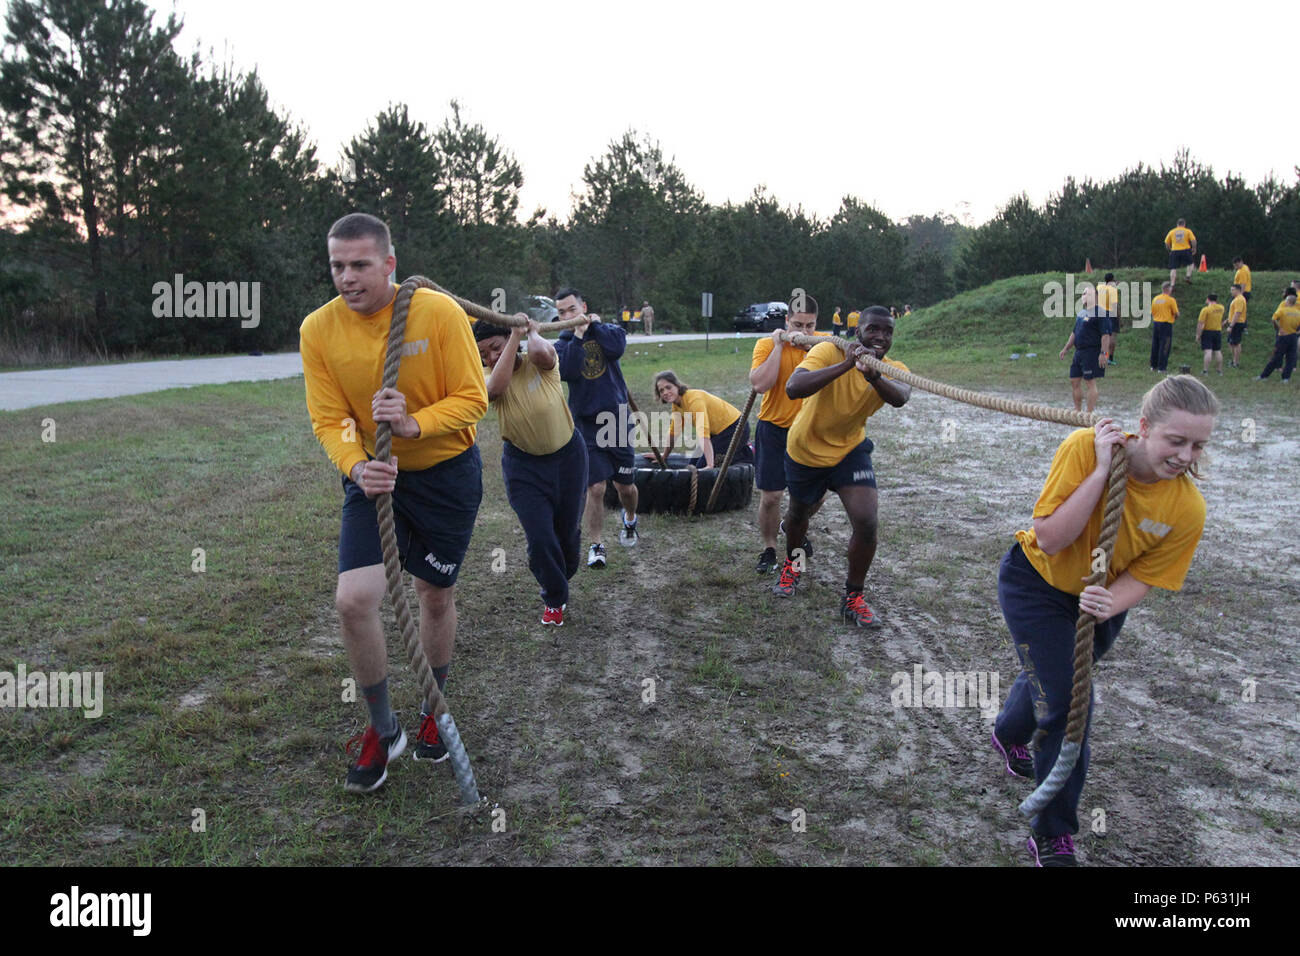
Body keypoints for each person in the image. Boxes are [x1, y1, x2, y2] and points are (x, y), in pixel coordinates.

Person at [991, 375, 1217, 866]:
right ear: (1144, 427)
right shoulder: (1082, 446)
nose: (1185, 455)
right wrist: (1098, 472)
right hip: (1037, 584)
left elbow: (1146, 576)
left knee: (1051, 681)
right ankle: (1053, 833)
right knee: (1073, 700)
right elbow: (1050, 538)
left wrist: (1110, 604)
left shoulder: (1187, 508)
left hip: (1101, 603)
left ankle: (1007, 732)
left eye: (1198, 445)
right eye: (1175, 440)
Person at [300, 212, 488, 793]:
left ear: (389, 263)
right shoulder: (319, 329)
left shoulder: (438, 313)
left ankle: (434, 705)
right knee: (354, 601)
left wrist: (411, 424)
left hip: (445, 477)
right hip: (374, 478)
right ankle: (384, 729)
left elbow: (472, 398)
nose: (347, 278)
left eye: (359, 265)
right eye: (337, 265)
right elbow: (329, 419)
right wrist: (358, 465)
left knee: (434, 595)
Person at [775, 306, 911, 627]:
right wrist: (848, 364)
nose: (880, 336)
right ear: (856, 331)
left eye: (887, 331)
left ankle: (853, 597)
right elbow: (794, 388)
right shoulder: (827, 350)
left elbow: (901, 396)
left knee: (866, 521)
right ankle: (793, 566)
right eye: (873, 329)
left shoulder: (892, 368)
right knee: (798, 516)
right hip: (806, 449)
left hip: (850, 449)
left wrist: (872, 374)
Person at [475, 317, 587, 627]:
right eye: (484, 353)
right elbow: (495, 390)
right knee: (539, 537)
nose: (491, 357)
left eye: (495, 348)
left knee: (567, 536)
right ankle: (554, 598)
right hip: (523, 467)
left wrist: (532, 331)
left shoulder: (538, 362)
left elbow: (543, 354)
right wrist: (511, 337)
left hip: (569, 459)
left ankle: (559, 574)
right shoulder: (486, 374)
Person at [554, 287, 640, 568]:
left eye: (571, 309)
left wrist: (595, 325)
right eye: (562, 312)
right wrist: (577, 335)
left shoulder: (606, 331)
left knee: (625, 487)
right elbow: (566, 371)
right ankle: (597, 545)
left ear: (583, 306)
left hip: (615, 420)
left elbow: (617, 348)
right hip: (586, 424)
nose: (567, 315)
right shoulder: (563, 343)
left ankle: (630, 518)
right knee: (595, 488)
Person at [749, 296, 831, 573]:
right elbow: (761, 384)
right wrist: (778, 346)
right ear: (787, 322)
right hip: (773, 428)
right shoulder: (766, 344)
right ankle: (769, 548)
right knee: (771, 496)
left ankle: (790, 524)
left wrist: (812, 346)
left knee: (817, 496)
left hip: (809, 430)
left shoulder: (825, 344)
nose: (804, 331)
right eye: (798, 324)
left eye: (810, 326)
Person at [650, 371, 754, 469]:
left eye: (668, 387)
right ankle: (738, 451)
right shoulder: (677, 406)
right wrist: (664, 455)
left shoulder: (694, 400)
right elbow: (673, 433)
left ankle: (748, 452)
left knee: (703, 467)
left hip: (736, 428)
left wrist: (709, 464)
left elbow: (703, 433)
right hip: (717, 433)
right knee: (692, 464)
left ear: (677, 386)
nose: (665, 392)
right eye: (661, 390)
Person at [1059, 283, 1111, 413]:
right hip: (1079, 352)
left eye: (1085, 293)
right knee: (1074, 380)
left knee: (1089, 382)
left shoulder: (1101, 313)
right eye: (1082, 294)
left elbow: (1105, 336)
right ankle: (1077, 411)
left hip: (1092, 352)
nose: (1083, 296)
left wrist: (1103, 353)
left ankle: (1089, 413)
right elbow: (1074, 333)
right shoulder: (1081, 313)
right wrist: (1066, 348)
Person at [1256, 288, 1300, 382]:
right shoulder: (1298, 313)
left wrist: (1279, 328)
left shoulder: (1282, 310)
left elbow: (1274, 319)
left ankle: (1264, 376)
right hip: (1293, 337)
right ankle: (1286, 378)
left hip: (1283, 336)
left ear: (1287, 301)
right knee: (1290, 358)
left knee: (1276, 357)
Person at [1149, 281, 1177, 373]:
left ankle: (1153, 366)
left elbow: (1152, 312)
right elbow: (1176, 313)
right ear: (1168, 289)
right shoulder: (1170, 300)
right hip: (1166, 324)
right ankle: (1162, 368)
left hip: (1156, 323)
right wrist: (1175, 317)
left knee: (1155, 344)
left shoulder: (1156, 299)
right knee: (1165, 346)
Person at [1195, 293, 1224, 375]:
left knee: (1208, 351)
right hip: (1217, 331)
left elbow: (1201, 323)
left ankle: (1205, 370)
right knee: (1218, 351)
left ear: (1208, 299)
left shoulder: (1205, 310)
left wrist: (1198, 335)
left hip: (1208, 331)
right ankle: (1219, 371)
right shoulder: (1221, 308)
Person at [1164, 219, 1197, 287]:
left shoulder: (1172, 231)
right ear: (1184, 224)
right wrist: (1194, 248)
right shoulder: (1187, 231)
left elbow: (1166, 243)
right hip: (1185, 250)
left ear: (1177, 224)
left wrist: (1169, 250)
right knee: (1191, 264)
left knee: (1173, 268)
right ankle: (1188, 277)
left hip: (1175, 251)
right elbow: (1193, 240)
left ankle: (1172, 284)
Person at [1098, 273, 1120, 365]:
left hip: (1100, 312)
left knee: (1102, 336)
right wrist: (1119, 317)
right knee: (1112, 337)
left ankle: (1101, 356)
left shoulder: (1099, 287)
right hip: (1111, 313)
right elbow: (1115, 305)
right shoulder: (1113, 290)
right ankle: (1109, 358)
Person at [1226, 283, 1247, 368]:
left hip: (1237, 323)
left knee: (1236, 343)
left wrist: (1231, 326)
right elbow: (1233, 312)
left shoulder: (1239, 299)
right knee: (1231, 343)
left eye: (1232, 290)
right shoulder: (1237, 299)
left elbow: (1237, 313)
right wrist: (1227, 321)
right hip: (1234, 322)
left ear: (1238, 290)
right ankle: (1234, 360)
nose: (1231, 292)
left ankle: (1236, 362)